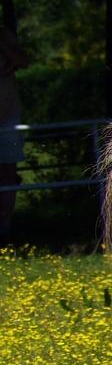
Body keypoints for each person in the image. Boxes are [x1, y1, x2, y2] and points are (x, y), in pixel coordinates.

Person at [0, 26, 30, 242]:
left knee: (9, 173)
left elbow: (22, 61)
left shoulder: (4, 35)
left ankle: (4, 227)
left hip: (8, 115)